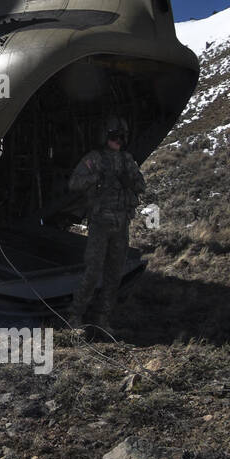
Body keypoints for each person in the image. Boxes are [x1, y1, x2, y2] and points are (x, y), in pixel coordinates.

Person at [68, 115, 145, 330]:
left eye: (121, 137)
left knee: (114, 274)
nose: (118, 141)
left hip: (121, 225)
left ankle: (102, 317)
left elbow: (141, 185)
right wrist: (96, 178)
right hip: (101, 224)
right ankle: (76, 315)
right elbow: (74, 183)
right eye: (114, 137)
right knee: (92, 272)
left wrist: (130, 180)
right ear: (105, 137)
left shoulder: (127, 160)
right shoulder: (95, 159)